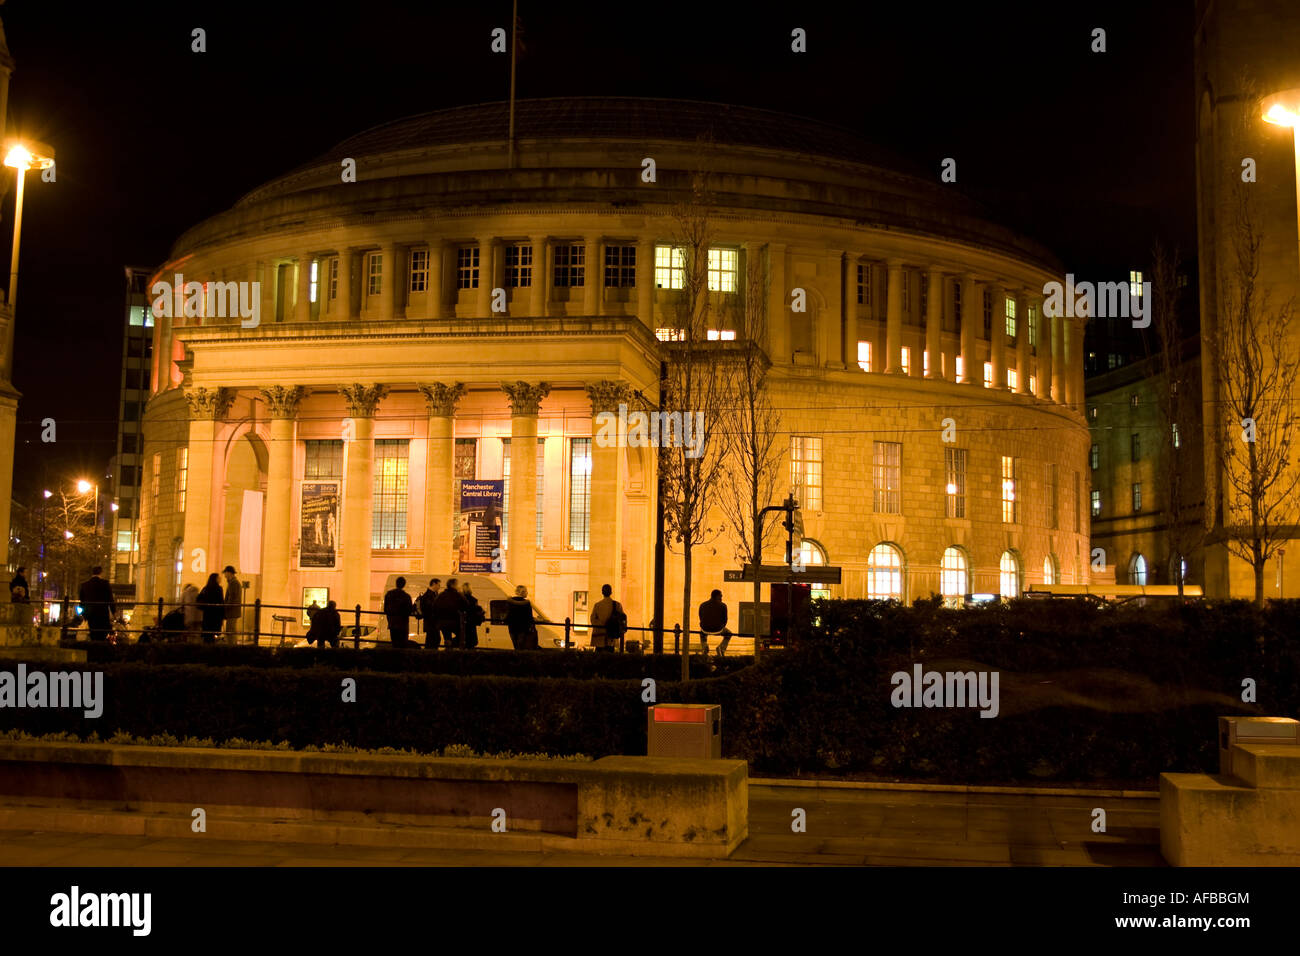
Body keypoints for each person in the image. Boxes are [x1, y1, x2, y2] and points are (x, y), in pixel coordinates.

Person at [77, 566, 117, 642]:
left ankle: (94, 648)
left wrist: (83, 614)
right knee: (102, 635)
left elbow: (82, 601)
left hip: (90, 614)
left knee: (93, 634)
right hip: (102, 614)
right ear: (101, 573)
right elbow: (110, 599)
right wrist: (113, 612)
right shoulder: (105, 584)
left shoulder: (85, 585)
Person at [589, 584, 626, 653]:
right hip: (611, 636)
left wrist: (601, 624)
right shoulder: (617, 605)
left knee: (599, 658)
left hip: (599, 636)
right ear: (611, 592)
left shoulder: (597, 605)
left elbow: (593, 620)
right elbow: (622, 619)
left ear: (602, 592)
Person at [433, 577, 467, 649]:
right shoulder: (458, 595)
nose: (458, 586)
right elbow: (466, 605)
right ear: (453, 585)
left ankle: (448, 648)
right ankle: (452, 646)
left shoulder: (441, 595)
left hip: (443, 622)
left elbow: (435, 606)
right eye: (457, 585)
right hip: (454, 621)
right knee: (461, 637)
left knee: (447, 638)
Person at [383, 576, 417, 647]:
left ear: (396, 583)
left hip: (392, 623)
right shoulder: (406, 596)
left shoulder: (388, 594)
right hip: (403, 624)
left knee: (394, 643)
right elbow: (409, 611)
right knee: (402, 645)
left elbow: (385, 609)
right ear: (404, 585)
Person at [698, 589, 732, 658]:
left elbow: (700, 617)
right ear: (717, 596)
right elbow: (725, 619)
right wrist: (721, 627)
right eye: (720, 596)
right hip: (718, 629)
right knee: (729, 634)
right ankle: (721, 648)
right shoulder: (723, 606)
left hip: (705, 629)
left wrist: (704, 625)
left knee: (702, 635)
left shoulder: (702, 605)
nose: (721, 598)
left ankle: (704, 648)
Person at [505, 585, 536, 650]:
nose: (527, 593)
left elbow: (508, 614)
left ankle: (516, 658)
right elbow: (529, 616)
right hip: (523, 627)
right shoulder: (527, 603)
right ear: (523, 592)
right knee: (521, 646)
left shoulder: (510, 602)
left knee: (515, 644)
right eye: (526, 591)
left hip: (512, 627)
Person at [198, 573, 225, 644]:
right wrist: (223, 615)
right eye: (219, 578)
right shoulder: (219, 589)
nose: (220, 579)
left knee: (207, 634)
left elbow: (199, 598)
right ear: (215, 579)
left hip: (207, 614)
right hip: (216, 615)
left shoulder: (206, 588)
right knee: (213, 633)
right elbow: (221, 602)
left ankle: (206, 648)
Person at [417, 578, 441, 648]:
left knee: (432, 640)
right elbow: (430, 609)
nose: (439, 587)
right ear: (434, 584)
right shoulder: (428, 595)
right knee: (432, 641)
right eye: (438, 585)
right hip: (431, 623)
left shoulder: (432, 594)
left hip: (431, 623)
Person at [222, 565, 242, 644]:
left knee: (230, 630)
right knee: (231, 630)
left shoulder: (233, 583)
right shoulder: (234, 583)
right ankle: (232, 645)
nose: (224, 575)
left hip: (232, 611)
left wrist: (226, 607)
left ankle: (231, 646)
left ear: (229, 573)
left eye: (225, 573)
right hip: (233, 611)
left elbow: (232, 598)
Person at [461, 582, 484, 649]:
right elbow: (476, 611)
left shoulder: (460, 599)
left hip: (462, 623)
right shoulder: (474, 600)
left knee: (463, 642)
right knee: (471, 642)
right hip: (471, 623)